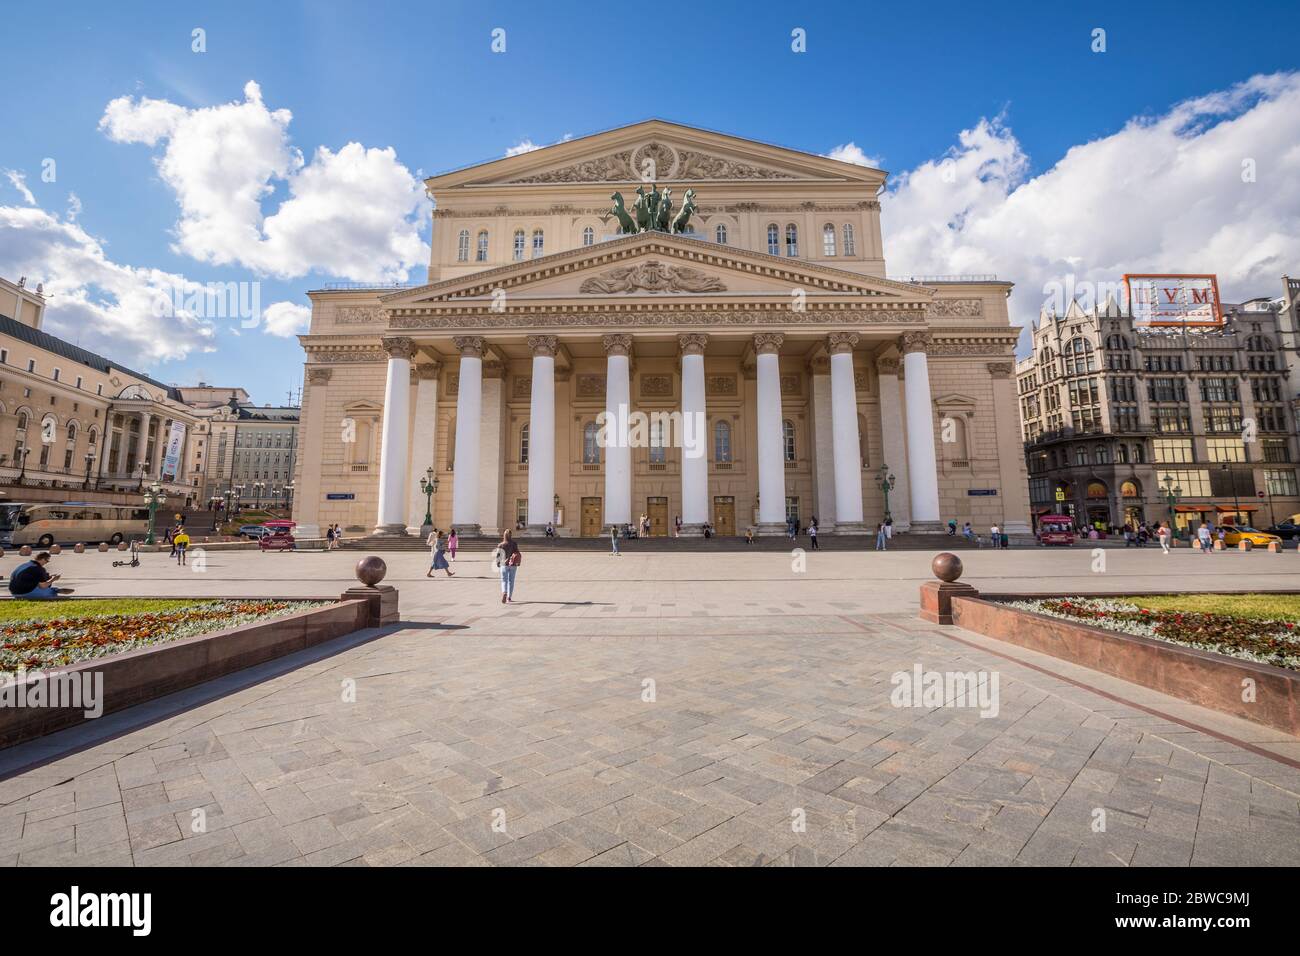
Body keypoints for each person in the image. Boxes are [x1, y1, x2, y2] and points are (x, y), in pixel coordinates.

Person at [497, 530, 521, 603]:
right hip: (513, 564)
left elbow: (498, 556)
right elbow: (517, 553)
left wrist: (498, 563)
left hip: (504, 565)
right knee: (511, 581)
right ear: (511, 535)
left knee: (504, 580)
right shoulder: (514, 543)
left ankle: (504, 592)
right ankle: (509, 597)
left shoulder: (501, 545)